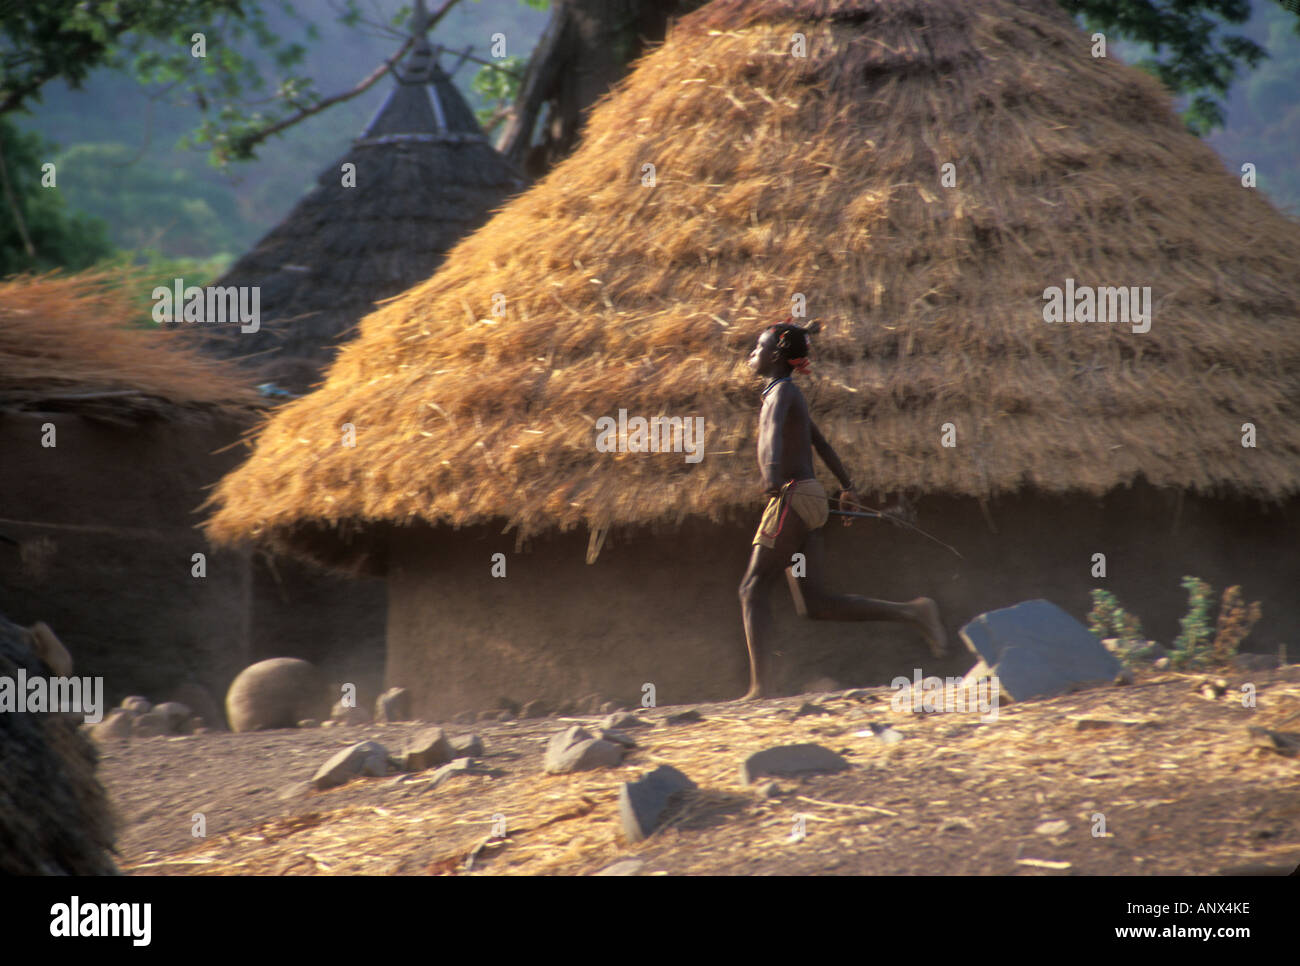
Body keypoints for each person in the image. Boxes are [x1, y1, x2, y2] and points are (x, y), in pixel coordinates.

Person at [738, 320, 947, 700]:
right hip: (811, 498)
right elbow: (819, 443)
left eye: (758, 346)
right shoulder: (789, 394)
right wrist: (846, 487)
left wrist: (770, 477)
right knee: (815, 603)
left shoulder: (779, 394)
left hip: (792, 497)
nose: (751, 352)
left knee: (752, 588)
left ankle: (761, 689)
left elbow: (772, 439)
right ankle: (914, 612)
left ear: (776, 356)